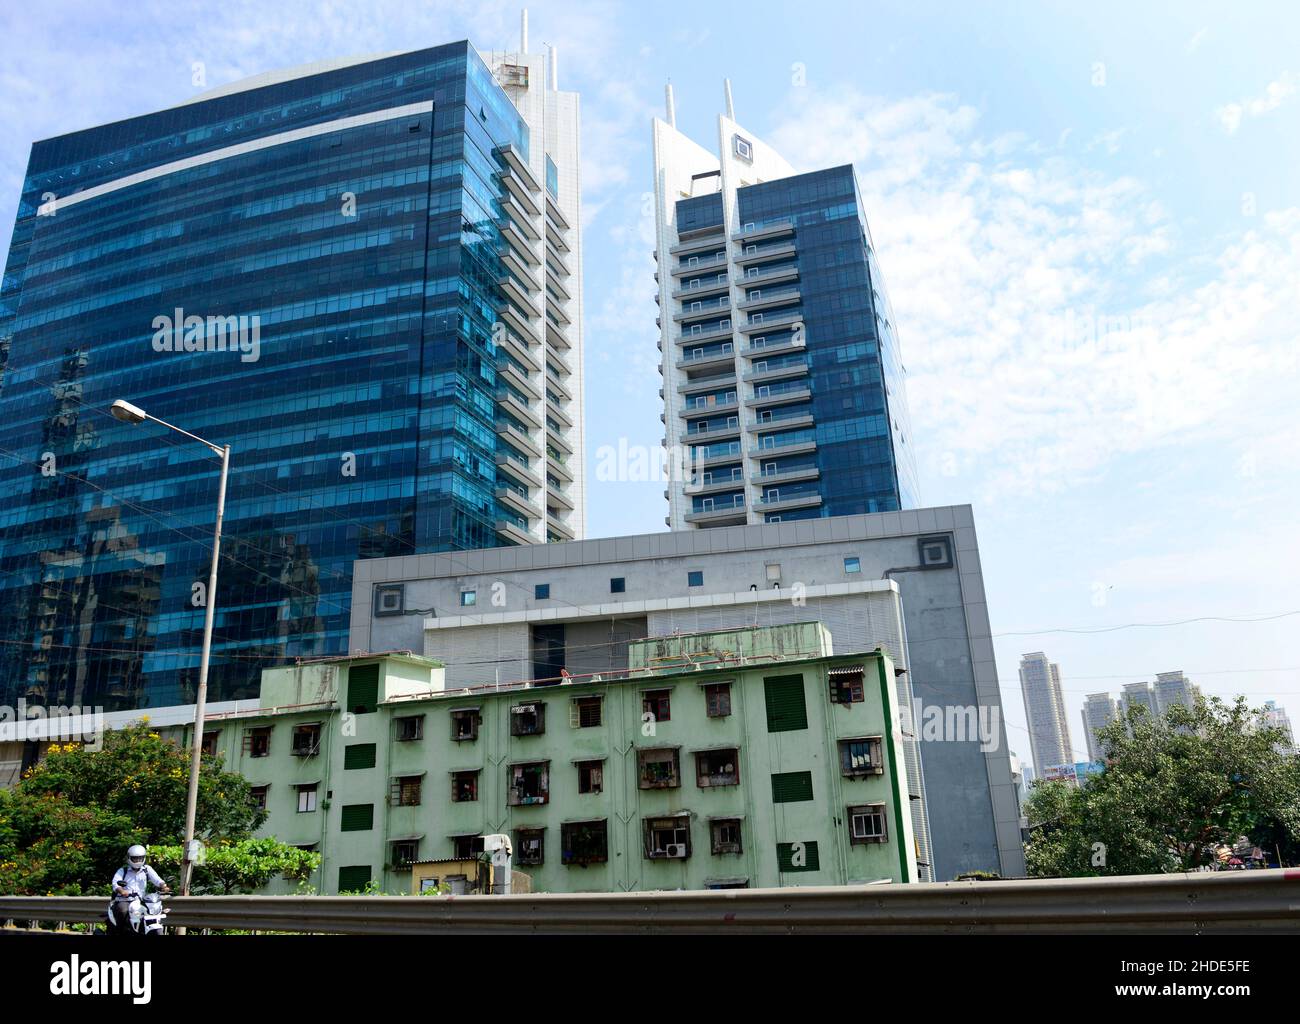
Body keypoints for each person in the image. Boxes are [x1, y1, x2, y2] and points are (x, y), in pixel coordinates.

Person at [109, 844, 170, 935]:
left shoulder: (147, 869)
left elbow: (157, 880)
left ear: (144, 858)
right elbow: (115, 883)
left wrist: (163, 886)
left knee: (153, 912)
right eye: (135, 858)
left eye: (140, 858)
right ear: (129, 858)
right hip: (125, 900)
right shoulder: (123, 871)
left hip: (141, 901)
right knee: (123, 911)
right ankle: (119, 932)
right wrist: (122, 891)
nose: (138, 860)